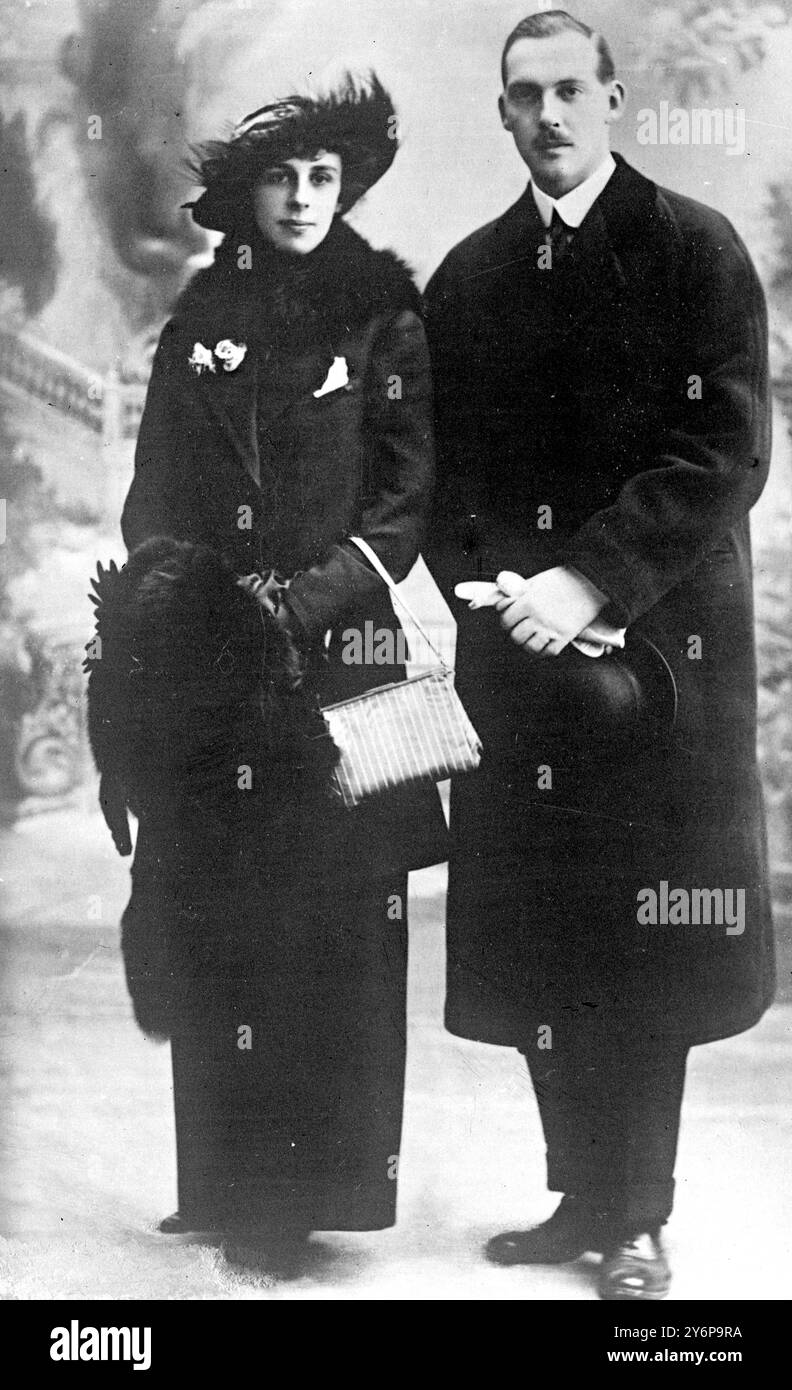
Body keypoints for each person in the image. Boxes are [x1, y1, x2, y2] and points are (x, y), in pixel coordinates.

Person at [423, 10, 774, 1300]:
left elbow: (724, 453)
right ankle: (576, 1196)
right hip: (522, 660)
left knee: (643, 944)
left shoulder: (693, 251)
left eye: (572, 90)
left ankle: (640, 1211)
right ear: (504, 118)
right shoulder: (468, 276)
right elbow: (449, 475)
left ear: (614, 101)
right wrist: (500, 586)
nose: (551, 115)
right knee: (541, 940)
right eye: (526, 97)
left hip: (662, 666)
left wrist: (589, 578)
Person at [114, 73, 439, 1264]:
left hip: (334, 657)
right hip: (210, 661)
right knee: (214, 907)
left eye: (322, 178)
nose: (304, 198)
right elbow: (152, 491)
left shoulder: (384, 319)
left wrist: (294, 608)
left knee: (330, 924)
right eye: (281, 178)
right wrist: (189, 596)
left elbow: (404, 508)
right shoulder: (196, 323)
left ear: (345, 186)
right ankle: (221, 1177)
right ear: (244, 195)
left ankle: (310, 1194)